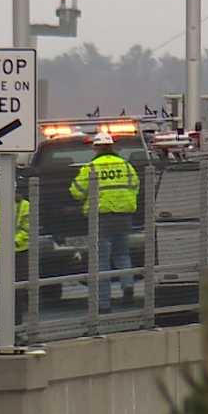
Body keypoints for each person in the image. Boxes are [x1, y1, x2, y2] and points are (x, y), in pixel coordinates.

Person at [69, 132, 140, 312]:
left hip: (101, 218)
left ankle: (104, 304)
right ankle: (127, 284)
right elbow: (135, 186)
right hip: (124, 217)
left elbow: (76, 191)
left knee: (101, 261)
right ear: (111, 146)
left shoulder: (91, 167)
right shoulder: (125, 165)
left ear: (96, 147)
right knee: (123, 255)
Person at [0, 175, 31, 322]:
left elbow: (27, 229)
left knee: (14, 294)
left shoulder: (24, 206)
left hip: (17, 255)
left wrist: (12, 244)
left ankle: (15, 330)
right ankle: (0, 330)